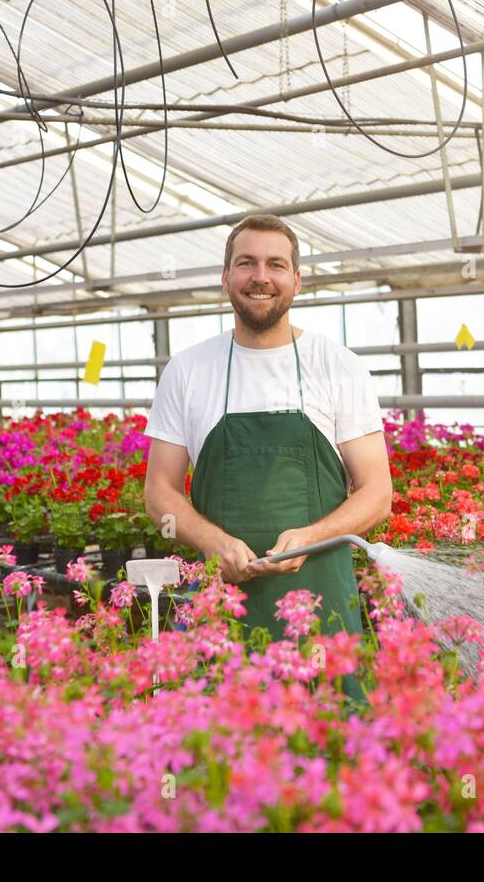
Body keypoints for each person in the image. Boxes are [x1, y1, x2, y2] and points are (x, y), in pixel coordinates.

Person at [143, 213, 392, 653]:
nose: (261, 277)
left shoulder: (338, 366)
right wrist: (212, 541)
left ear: (298, 281)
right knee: (224, 720)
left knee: (326, 716)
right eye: (246, 263)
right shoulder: (188, 369)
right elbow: (159, 491)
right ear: (225, 276)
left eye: (276, 265)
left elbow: (377, 494)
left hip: (320, 606)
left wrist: (310, 538)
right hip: (223, 608)